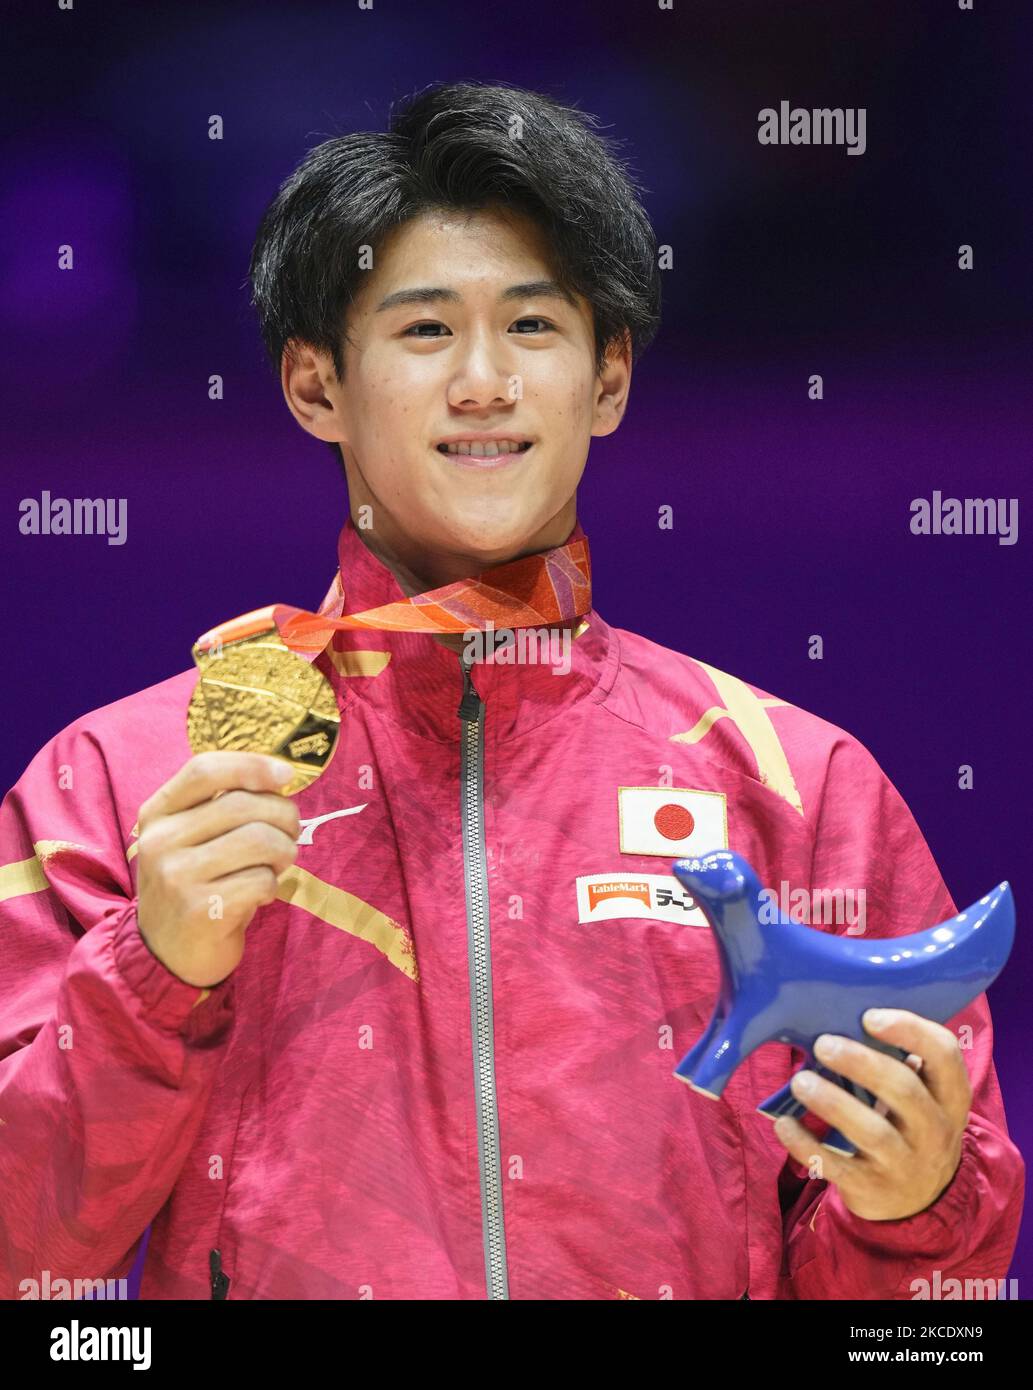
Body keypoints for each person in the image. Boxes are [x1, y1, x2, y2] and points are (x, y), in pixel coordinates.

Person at [0, 81, 1023, 1301]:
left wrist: (912, 1212)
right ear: (315, 383)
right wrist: (153, 967)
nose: (483, 382)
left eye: (534, 327)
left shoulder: (798, 785)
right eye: (425, 330)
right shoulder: (121, 780)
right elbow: (29, 1253)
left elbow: (930, 1325)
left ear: (607, 380)